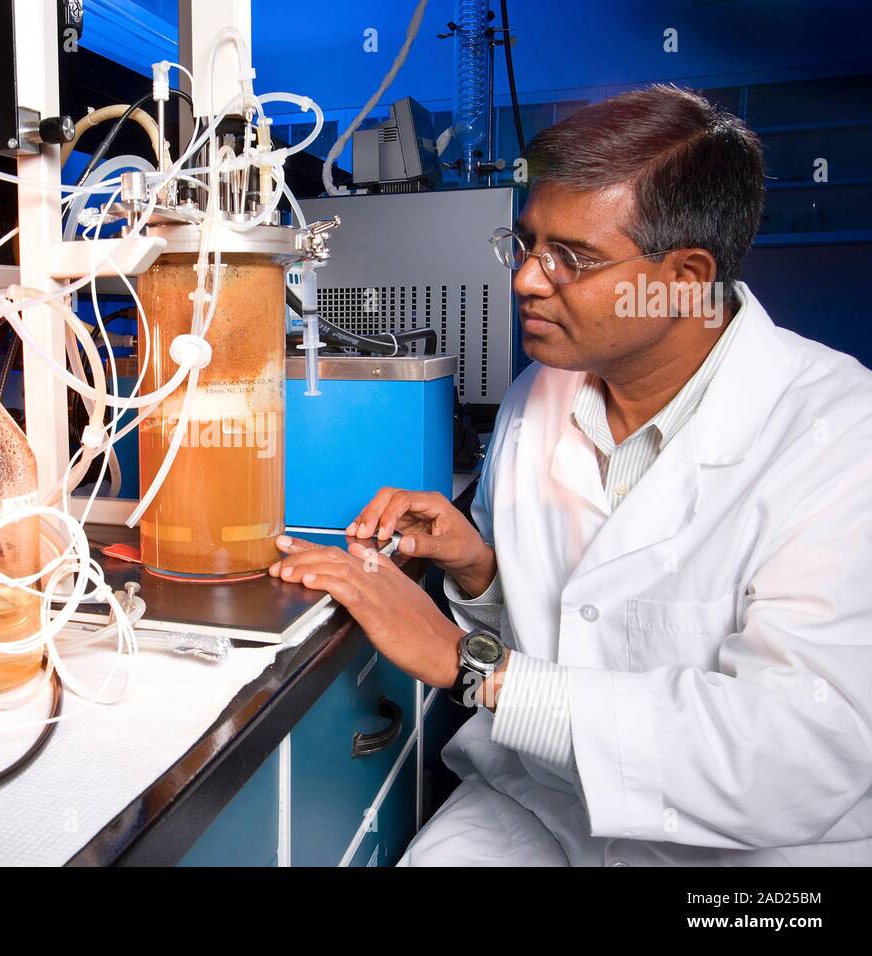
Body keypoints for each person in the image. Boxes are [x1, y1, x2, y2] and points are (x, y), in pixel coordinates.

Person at [269, 84, 872, 865]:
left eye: (572, 259)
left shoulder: (838, 440)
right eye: (526, 244)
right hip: (543, 804)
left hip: (747, 857)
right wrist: (480, 571)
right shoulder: (544, 394)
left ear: (685, 277)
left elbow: (792, 758)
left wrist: (465, 664)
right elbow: (569, 637)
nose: (526, 279)